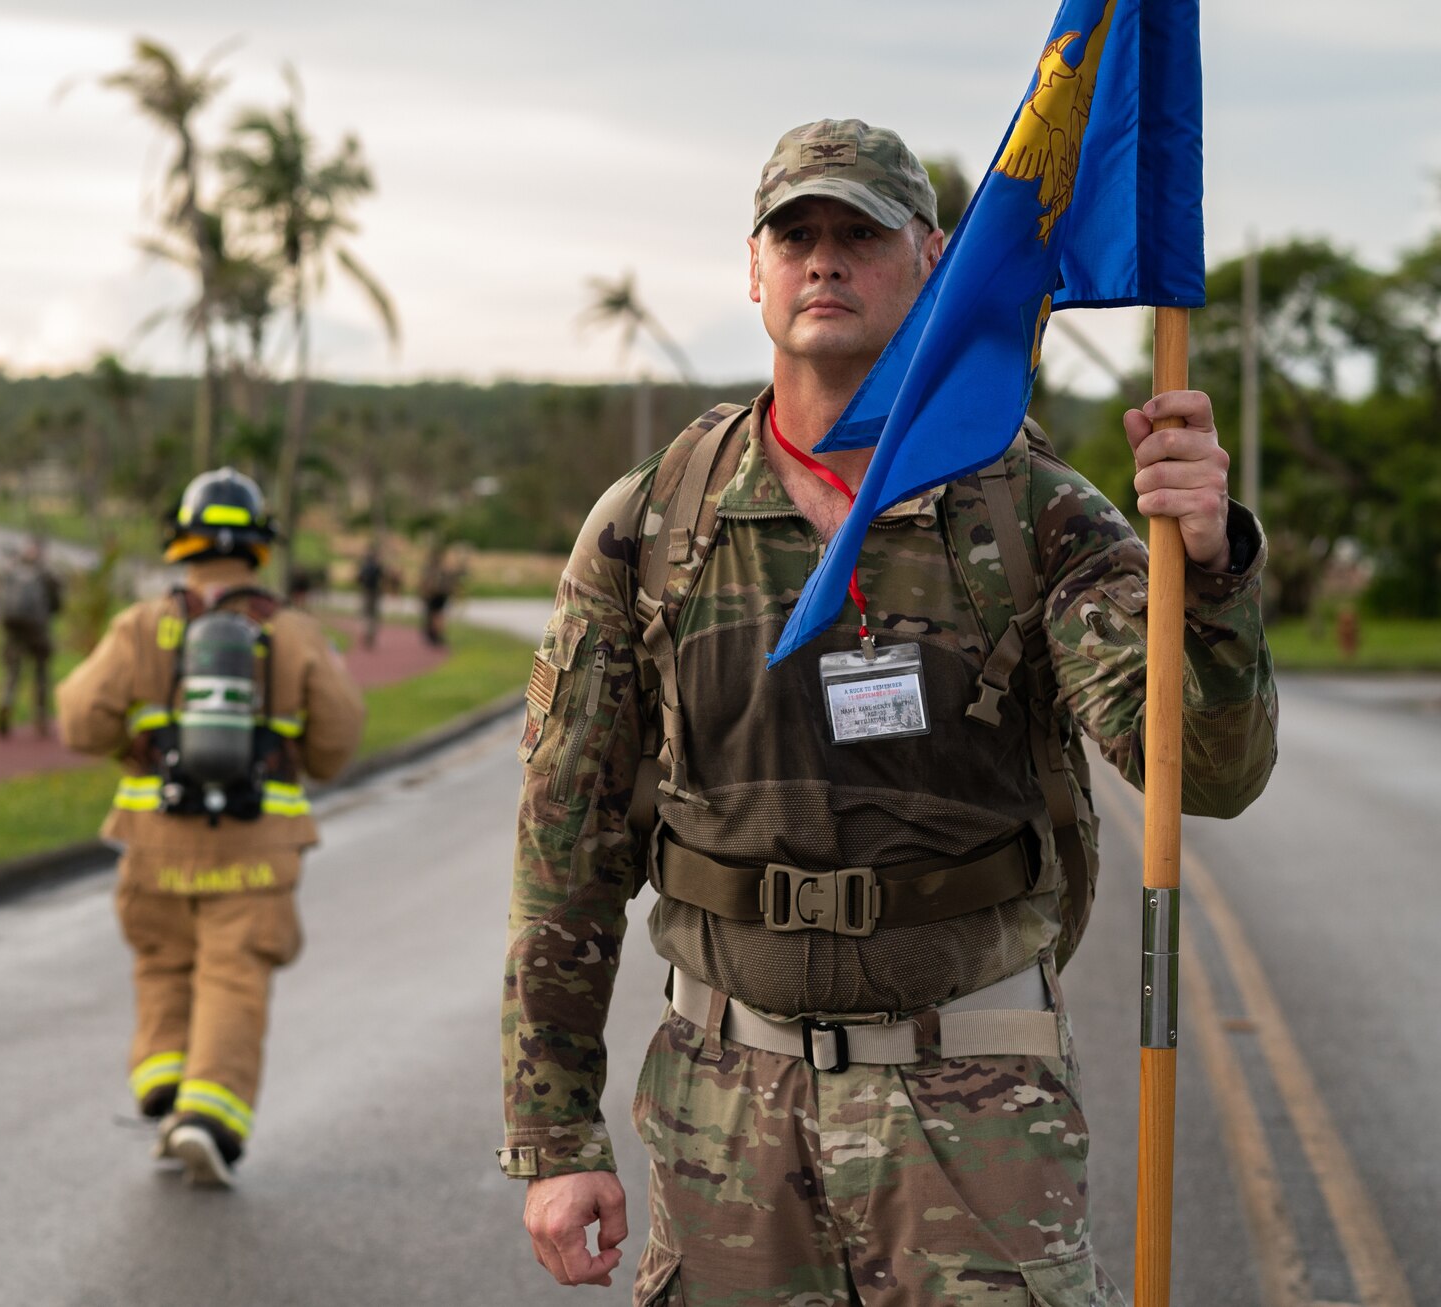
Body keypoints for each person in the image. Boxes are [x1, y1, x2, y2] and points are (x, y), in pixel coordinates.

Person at [499, 120, 1277, 1302]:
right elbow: (567, 846)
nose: (823, 261)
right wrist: (555, 1136)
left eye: (857, 233)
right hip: (723, 1106)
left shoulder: (1033, 516)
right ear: (753, 271)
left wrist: (1209, 567)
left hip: (970, 1102)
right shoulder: (654, 522)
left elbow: (1201, 771)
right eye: (795, 234)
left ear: (927, 259)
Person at [57, 467, 365, 1188]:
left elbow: (77, 719)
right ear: (260, 546)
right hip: (259, 849)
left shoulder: (139, 625)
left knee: (164, 963)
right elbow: (336, 742)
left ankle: (164, 1080)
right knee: (233, 975)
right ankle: (210, 1116)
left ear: (183, 543)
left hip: (155, 845)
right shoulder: (291, 631)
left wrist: (132, 740)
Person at [0, 539, 62, 738]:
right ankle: (40, 717)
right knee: (40, 672)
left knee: (12, 672)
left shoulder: (10, 571)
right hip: (38, 630)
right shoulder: (45, 574)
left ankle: (5, 702)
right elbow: (57, 603)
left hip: (12, 630)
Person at [418, 543, 457, 647]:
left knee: (433, 615)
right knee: (438, 616)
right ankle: (437, 635)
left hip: (433, 595)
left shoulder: (429, 569)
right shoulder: (444, 569)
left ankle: (434, 635)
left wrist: (422, 593)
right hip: (441, 594)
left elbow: (423, 583)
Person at [356, 544, 389, 650]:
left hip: (366, 592)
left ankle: (366, 635)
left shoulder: (364, 566)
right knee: (373, 616)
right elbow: (383, 578)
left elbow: (358, 578)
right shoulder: (377, 566)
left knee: (366, 615)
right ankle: (371, 637)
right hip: (375, 592)